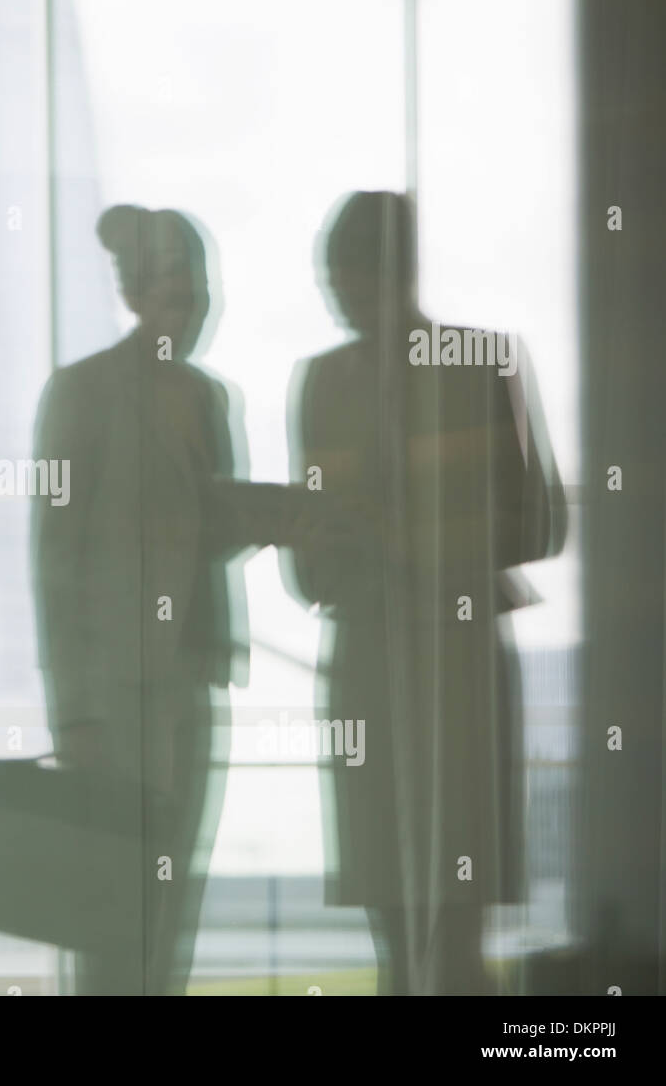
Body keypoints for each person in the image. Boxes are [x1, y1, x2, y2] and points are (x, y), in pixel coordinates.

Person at [281, 191, 567, 994]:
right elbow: (537, 521)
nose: (338, 296)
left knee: (441, 922)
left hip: (435, 652)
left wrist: (399, 541)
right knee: (400, 918)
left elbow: (539, 520)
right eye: (332, 278)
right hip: (405, 650)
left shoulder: (460, 362)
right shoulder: (343, 376)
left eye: (348, 276)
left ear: (393, 271)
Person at [31, 205, 256, 995]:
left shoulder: (207, 397)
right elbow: (54, 563)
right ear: (137, 294)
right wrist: (75, 714)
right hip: (114, 698)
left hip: (192, 680)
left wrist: (272, 516)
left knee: (169, 908)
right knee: (112, 917)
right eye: (179, 293)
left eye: (201, 293)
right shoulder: (81, 391)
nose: (195, 311)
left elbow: (202, 526)